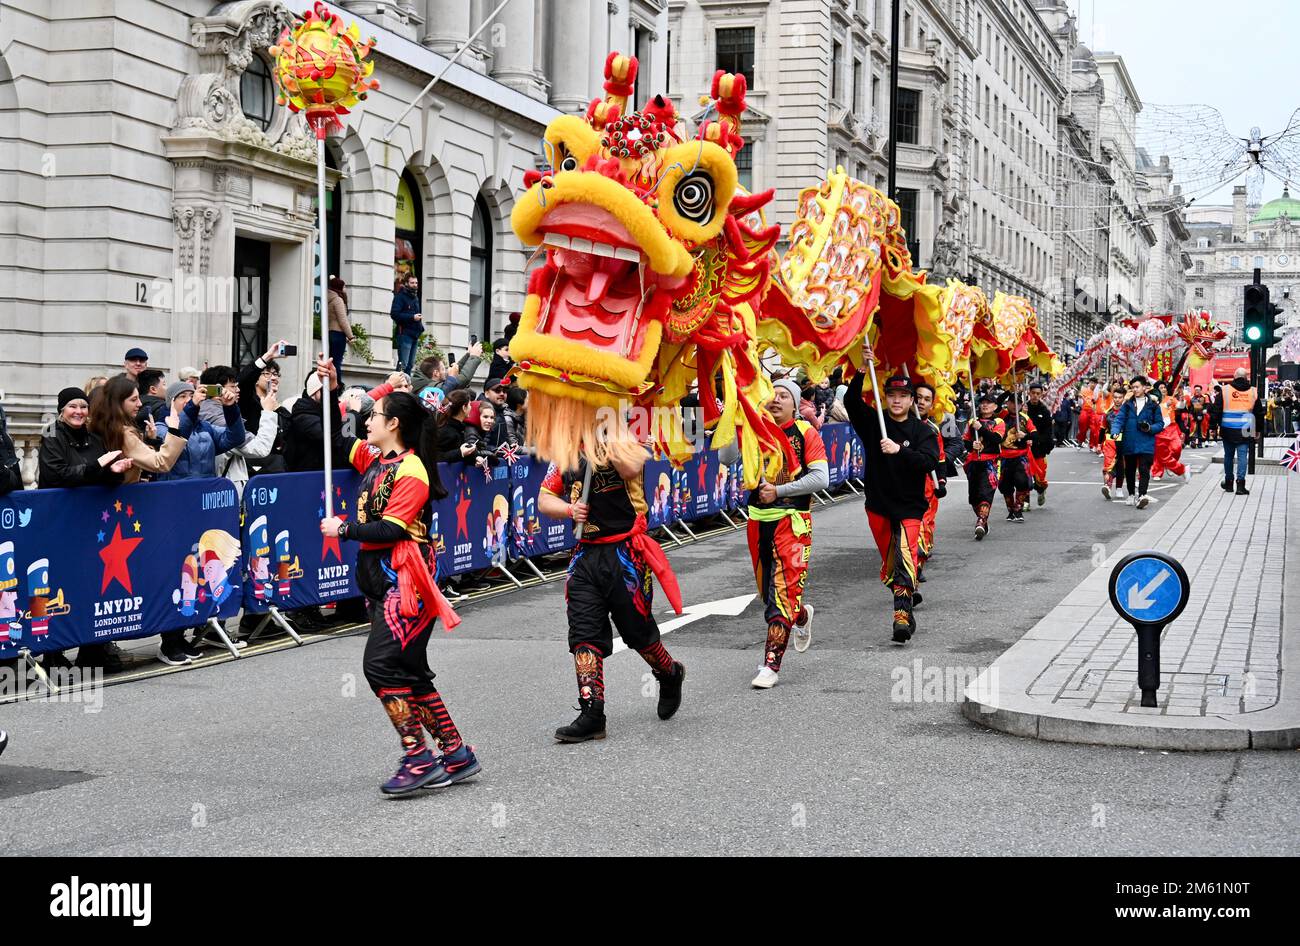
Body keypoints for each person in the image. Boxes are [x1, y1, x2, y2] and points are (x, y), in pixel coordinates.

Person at [314, 357, 480, 794]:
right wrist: (333, 389)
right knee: (407, 668)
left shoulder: (412, 470)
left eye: (375, 415)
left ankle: (418, 756)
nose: (368, 420)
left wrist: (344, 529)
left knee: (381, 665)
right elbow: (334, 439)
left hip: (406, 577)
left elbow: (392, 528)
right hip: (380, 576)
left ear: (395, 424)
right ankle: (456, 752)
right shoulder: (373, 457)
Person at [536, 441, 686, 743]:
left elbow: (631, 467)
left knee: (637, 633)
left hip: (626, 553)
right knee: (583, 632)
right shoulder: (565, 451)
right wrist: (569, 509)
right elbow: (543, 498)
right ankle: (593, 712)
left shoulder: (625, 440)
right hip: (585, 556)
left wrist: (605, 437)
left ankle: (669, 673)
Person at [734, 378, 826, 689]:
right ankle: (800, 616)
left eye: (783, 395)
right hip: (758, 522)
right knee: (770, 594)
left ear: (795, 403)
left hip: (792, 521)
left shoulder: (805, 433)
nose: (776, 399)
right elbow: (724, 458)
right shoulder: (754, 430)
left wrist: (781, 490)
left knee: (781, 597)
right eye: (771, 394)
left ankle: (771, 665)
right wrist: (735, 421)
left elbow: (821, 478)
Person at [844, 347, 939, 643]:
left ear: (912, 401)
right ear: (886, 398)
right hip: (879, 504)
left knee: (906, 558)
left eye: (903, 396)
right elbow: (850, 401)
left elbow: (928, 461)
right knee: (890, 566)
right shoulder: (876, 423)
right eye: (892, 396)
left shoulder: (922, 430)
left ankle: (899, 615)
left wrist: (900, 450)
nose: (897, 401)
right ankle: (906, 602)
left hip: (910, 506)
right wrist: (862, 368)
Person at [87, 375, 186, 483]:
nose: (139, 403)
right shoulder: (124, 434)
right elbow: (161, 463)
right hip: (125, 497)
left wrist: (150, 440)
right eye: (133, 399)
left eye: (138, 398)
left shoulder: (103, 425)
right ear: (118, 403)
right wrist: (173, 430)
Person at [1111, 376, 1164, 509]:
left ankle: (1142, 495)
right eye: (1133, 387)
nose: (1135, 390)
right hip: (1130, 442)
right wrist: (1115, 431)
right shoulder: (1127, 405)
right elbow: (1118, 420)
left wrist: (1150, 428)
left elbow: (1160, 423)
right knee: (1129, 470)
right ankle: (1131, 494)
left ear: (1145, 387)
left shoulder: (1153, 406)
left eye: (1137, 387)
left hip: (1146, 442)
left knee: (1144, 469)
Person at [913, 382, 947, 584]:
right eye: (919, 397)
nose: (922, 402)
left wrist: (941, 482)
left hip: (927, 485)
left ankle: (916, 568)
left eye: (927, 399)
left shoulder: (933, 429)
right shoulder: (900, 423)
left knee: (925, 526)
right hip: (904, 485)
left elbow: (940, 458)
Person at [1214, 367, 1264, 496]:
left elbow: (1216, 410)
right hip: (1246, 429)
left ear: (1234, 377)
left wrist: (1213, 427)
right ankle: (1240, 485)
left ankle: (1229, 483)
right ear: (1246, 377)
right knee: (1242, 457)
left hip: (1228, 429)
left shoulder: (1225, 390)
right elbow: (1258, 413)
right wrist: (1257, 430)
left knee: (1228, 456)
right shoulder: (1253, 391)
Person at [961, 394, 1004, 539]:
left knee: (986, 493)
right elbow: (964, 441)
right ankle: (983, 521)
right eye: (983, 403)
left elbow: (997, 438)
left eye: (989, 403)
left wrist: (983, 429)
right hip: (973, 462)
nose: (985, 405)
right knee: (974, 498)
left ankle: (980, 521)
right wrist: (971, 444)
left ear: (995, 406)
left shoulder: (999, 422)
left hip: (990, 463)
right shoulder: (972, 421)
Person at [996, 392, 1037, 523]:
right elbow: (997, 403)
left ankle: (1018, 510)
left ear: (1021, 404)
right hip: (1004, 457)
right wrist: (1009, 389)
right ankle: (1010, 510)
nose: (1014, 405)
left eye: (1017, 403)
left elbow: (1035, 434)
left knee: (1022, 483)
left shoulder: (1025, 418)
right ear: (1007, 403)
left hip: (1021, 457)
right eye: (1012, 402)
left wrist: (1024, 436)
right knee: (1005, 486)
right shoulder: (1002, 416)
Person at [1150, 380, 1191, 484]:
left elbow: (1180, 406)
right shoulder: (1153, 400)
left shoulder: (1170, 398)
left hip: (1172, 428)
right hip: (1159, 429)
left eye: (1164, 387)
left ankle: (1170, 464)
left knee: (1177, 448)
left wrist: (1182, 401)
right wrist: (1164, 405)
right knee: (1159, 453)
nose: (1163, 389)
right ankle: (1157, 472)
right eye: (1161, 388)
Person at [1025, 381, 1053, 505]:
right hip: (1024, 448)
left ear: (1041, 394)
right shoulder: (1023, 408)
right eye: (1033, 393)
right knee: (1023, 476)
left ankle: (1041, 490)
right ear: (1028, 393)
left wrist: (1042, 445)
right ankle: (1025, 501)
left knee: (1039, 478)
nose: (1035, 396)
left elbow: (1048, 433)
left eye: (1038, 393)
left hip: (1039, 449)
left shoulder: (1045, 412)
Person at [390, 274, 423, 374]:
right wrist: (412, 317)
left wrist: (420, 327)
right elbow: (394, 314)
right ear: (406, 284)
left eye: (416, 283)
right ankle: (396, 387)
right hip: (404, 334)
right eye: (412, 283)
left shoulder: (415, 297)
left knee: (410, 365)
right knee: (403, 364)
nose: (415, 285)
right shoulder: (400, 297)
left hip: (414, 334)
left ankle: (406, 387)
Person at [327, 277, 354, 383]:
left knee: (332, 361)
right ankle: (337, 385)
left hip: (330, 333)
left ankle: (330, 384)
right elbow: (343, 320)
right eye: (344, 286)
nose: (345, 288)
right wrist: (350, 336)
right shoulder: (338, 300)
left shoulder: (328, 298)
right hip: (338, 334)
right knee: (336, 363)